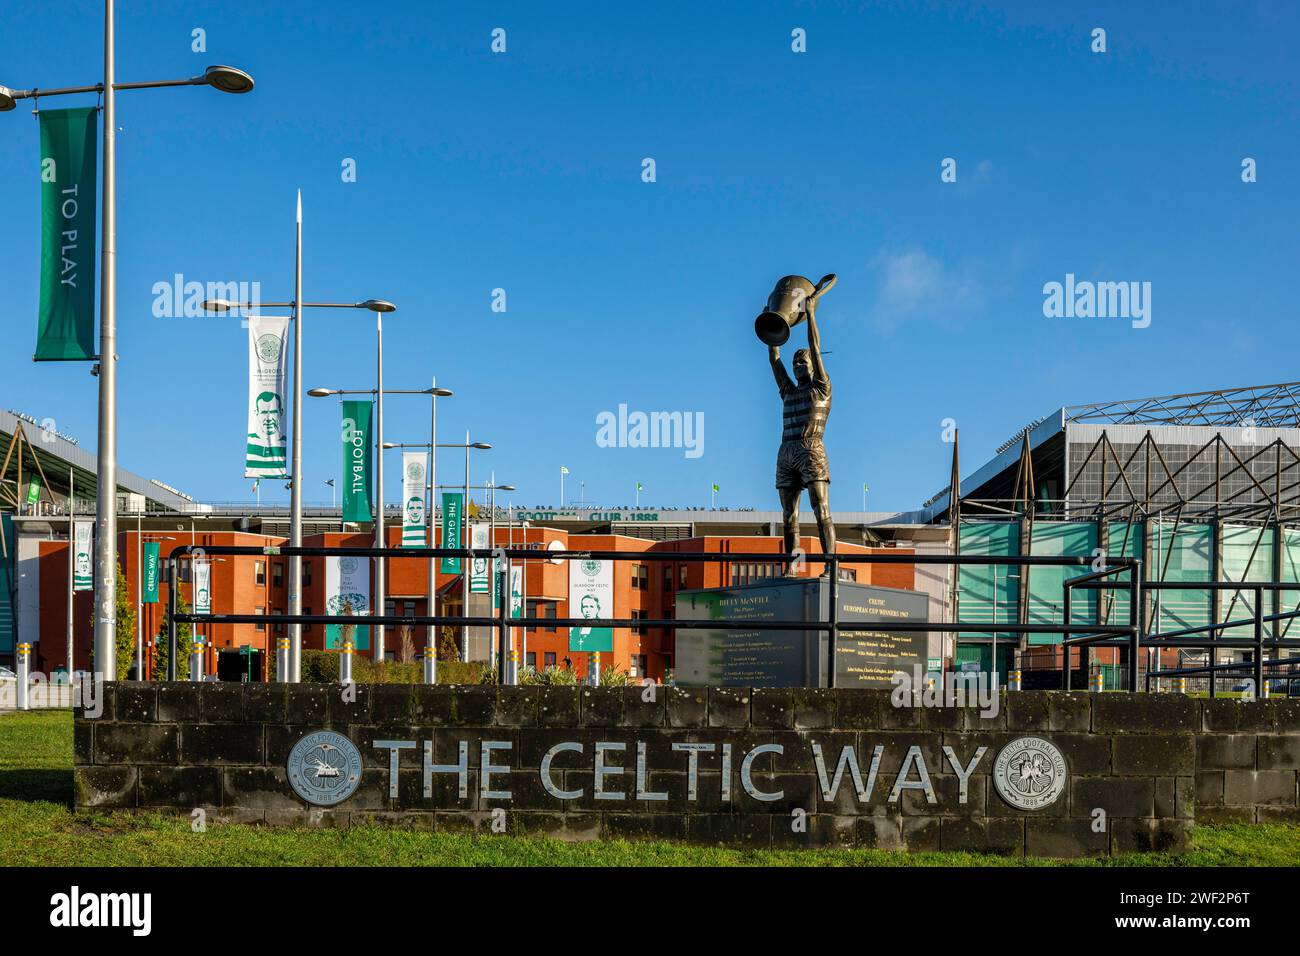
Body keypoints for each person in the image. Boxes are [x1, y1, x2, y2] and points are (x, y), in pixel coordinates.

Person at [768, 290, 835, 576]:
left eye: (802, 362)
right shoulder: (788, 393)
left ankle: (830, 567)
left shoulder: (821, 387)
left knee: (820, 509)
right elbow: (774, 359)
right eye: (795, 363)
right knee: (789, 516)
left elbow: (814, 346)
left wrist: (811, 315)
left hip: (811, 449)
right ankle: (793, 569)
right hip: (787, 452)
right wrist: (773, 320)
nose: (797, 366)